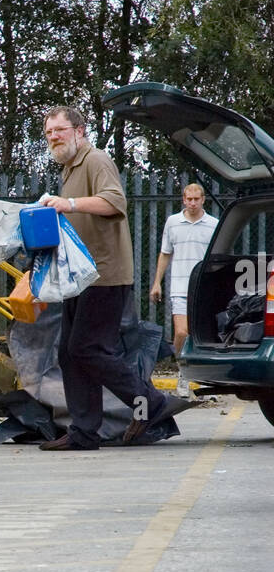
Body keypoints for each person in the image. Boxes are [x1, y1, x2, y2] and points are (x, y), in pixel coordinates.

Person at [37, 105, 190, 449]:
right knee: (69, 351)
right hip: (81, 276)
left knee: (87, 348)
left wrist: (69, 204)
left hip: (105, 275)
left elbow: (114, 201)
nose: (53, 138)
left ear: (79, 130)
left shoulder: (96, 160)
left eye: (59, 130)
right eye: (48, 133)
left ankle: (148, 402)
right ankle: (84, 432)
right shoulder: (69, 168)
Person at [149, 184, 217, 397]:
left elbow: (218, 256)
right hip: (179, 285)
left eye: (197, 199)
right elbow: (165, 253)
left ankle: (204, 379)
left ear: (203, 199)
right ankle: (182, 372)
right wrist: (157, 282)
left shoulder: (213, 224)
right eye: (189, 199)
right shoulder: (173, 222)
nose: (193, 203)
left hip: (204, 287)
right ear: (184, 200)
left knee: (205, 335)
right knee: (181, 332)